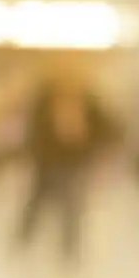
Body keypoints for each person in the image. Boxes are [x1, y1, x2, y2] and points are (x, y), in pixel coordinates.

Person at [18, 72, 111, 261]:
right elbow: (35, 134)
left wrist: (90, 149)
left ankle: (69, 248)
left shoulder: (90, 107)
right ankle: (23, 240)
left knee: (72, 205)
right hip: (48, 162)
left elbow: (103, 130)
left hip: (74, 161)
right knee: (37, 203)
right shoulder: (45, 107)